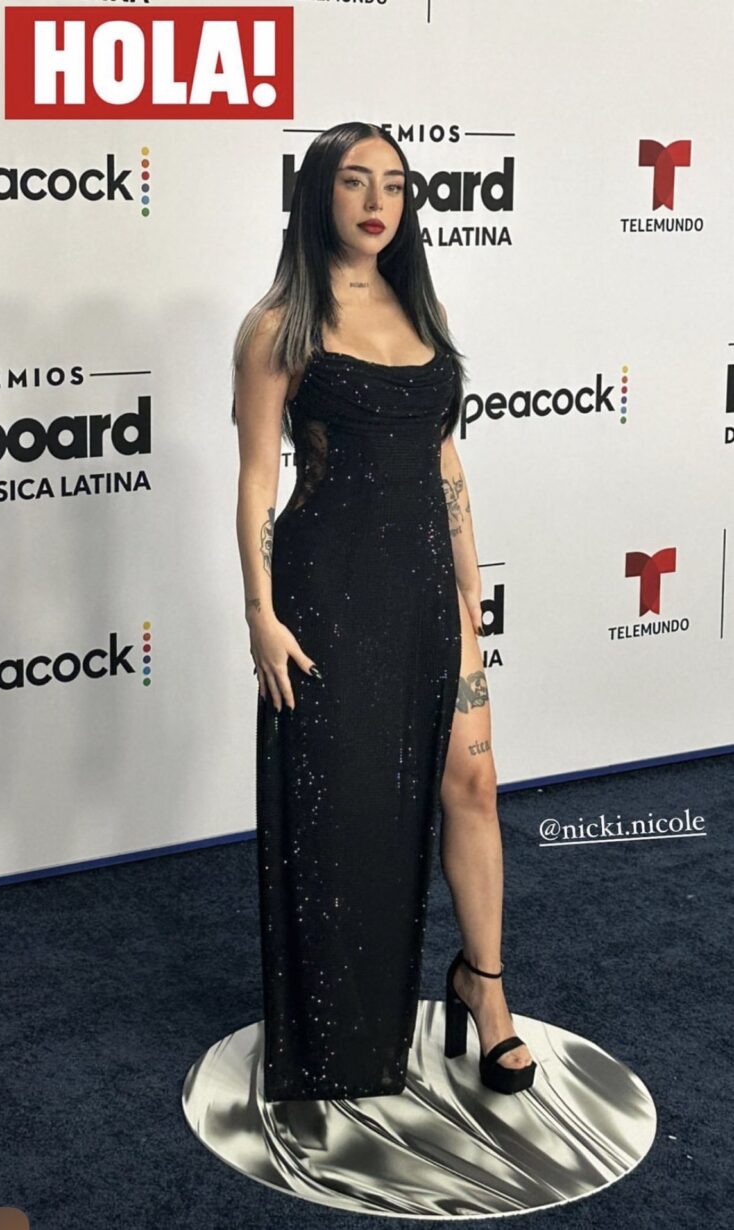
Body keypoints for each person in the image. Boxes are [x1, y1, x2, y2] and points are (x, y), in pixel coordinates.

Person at [231, 121, 536, 1102]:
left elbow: (445, 459)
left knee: (473, 785)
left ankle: (485, 989)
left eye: (396, 184)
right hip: (326, 592)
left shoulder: (420, 304)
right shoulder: (279, 324)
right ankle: (340, 1036)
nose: (378, 202)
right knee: (347, 811)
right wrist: (260, 613)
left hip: (427, 594)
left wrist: (469, 592)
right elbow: (255, 479)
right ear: (319, 192)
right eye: (356, 181)